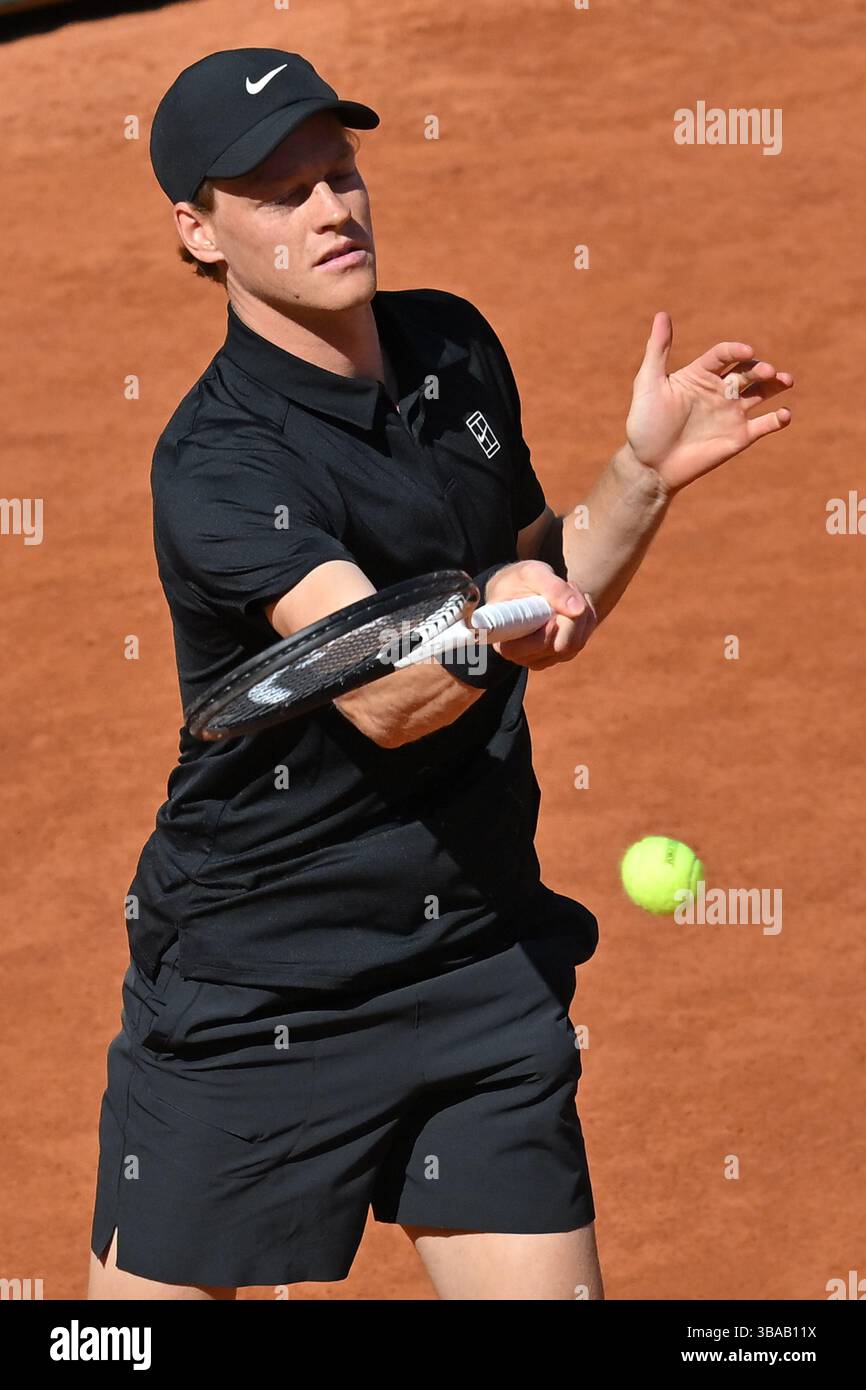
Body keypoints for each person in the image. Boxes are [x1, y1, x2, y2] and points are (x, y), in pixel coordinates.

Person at [87, 48, 792, 1301]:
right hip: (261, 981)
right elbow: (380, 688)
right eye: (277, 193)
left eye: (339, 173)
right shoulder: (218, 463)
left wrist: (633, 480)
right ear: (197, 233)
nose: (329, 209)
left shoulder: (449, 344)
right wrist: (484, 614)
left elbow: (538, 591)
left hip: (471, 954)